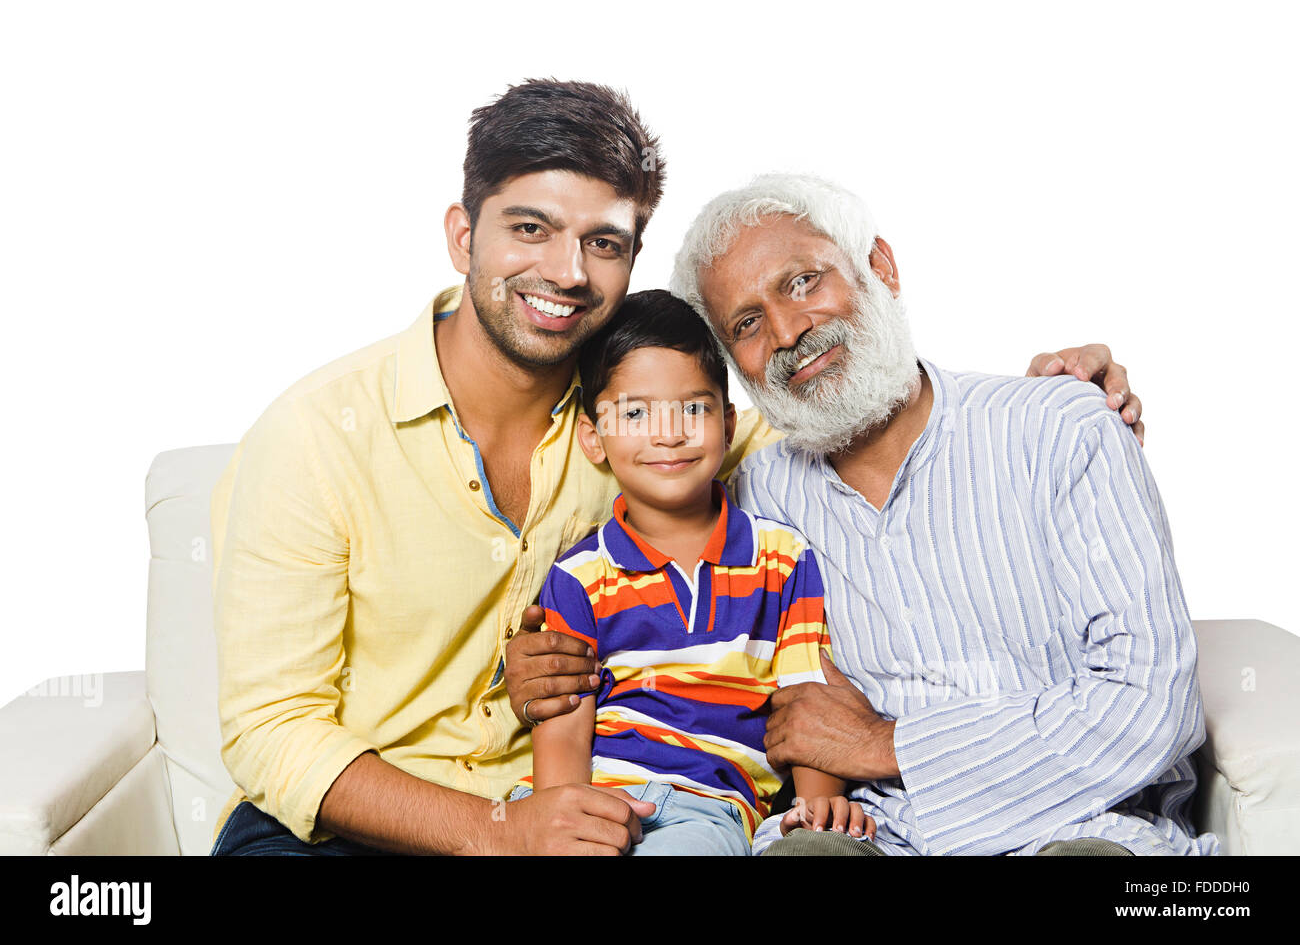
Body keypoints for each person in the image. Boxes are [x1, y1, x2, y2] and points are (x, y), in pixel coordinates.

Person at [209, 78, 1144, 856]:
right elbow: (271, 731)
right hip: (357, 828)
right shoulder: (315, 437)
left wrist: (1049, 404)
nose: (567, 271)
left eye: (604, 242)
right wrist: (496, 829)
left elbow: (844, 399)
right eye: (529, 229)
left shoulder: (660, 433)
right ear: (464, 236)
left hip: (597, 819)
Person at [671, 173, 1215, 856]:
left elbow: (1149, 703)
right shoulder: (757, 496)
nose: (787, 331)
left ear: (880, 268)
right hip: (879, 836)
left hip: (1084, 825)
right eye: (746, 324)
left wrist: (884, 744)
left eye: (804, 281)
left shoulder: (1060, 430)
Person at [507, 290, 876, 854]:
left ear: (727, 425)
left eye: (693, 409)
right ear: (593, 438)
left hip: (703, 807)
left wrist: (816, 798)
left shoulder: (783, 557)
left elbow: (805, 688)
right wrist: (563, 820)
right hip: (592, 797)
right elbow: (564, 714)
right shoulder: (579, 575)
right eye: (635, 413)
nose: (669, 433)